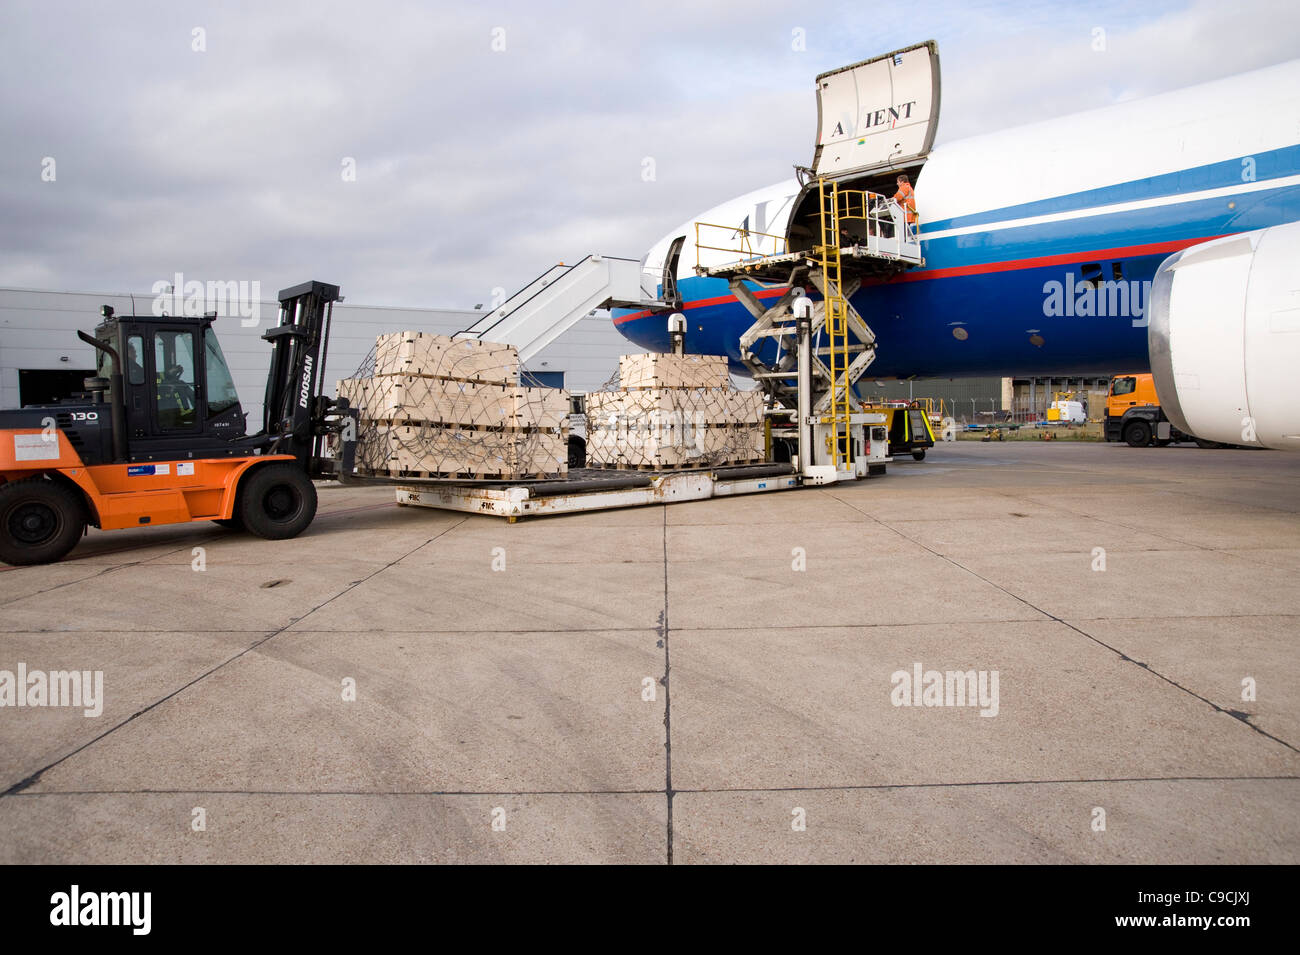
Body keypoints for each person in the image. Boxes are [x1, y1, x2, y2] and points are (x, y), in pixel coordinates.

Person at [893, 173, 918, 239]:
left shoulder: (904, 187)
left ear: (902, 181)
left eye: (898, 182)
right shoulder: (909, 187)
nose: (897, 184)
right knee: (905, 232)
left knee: (903, 234)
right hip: (908, 215)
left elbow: (897, 197)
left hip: (905, 215)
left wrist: (890, 200)